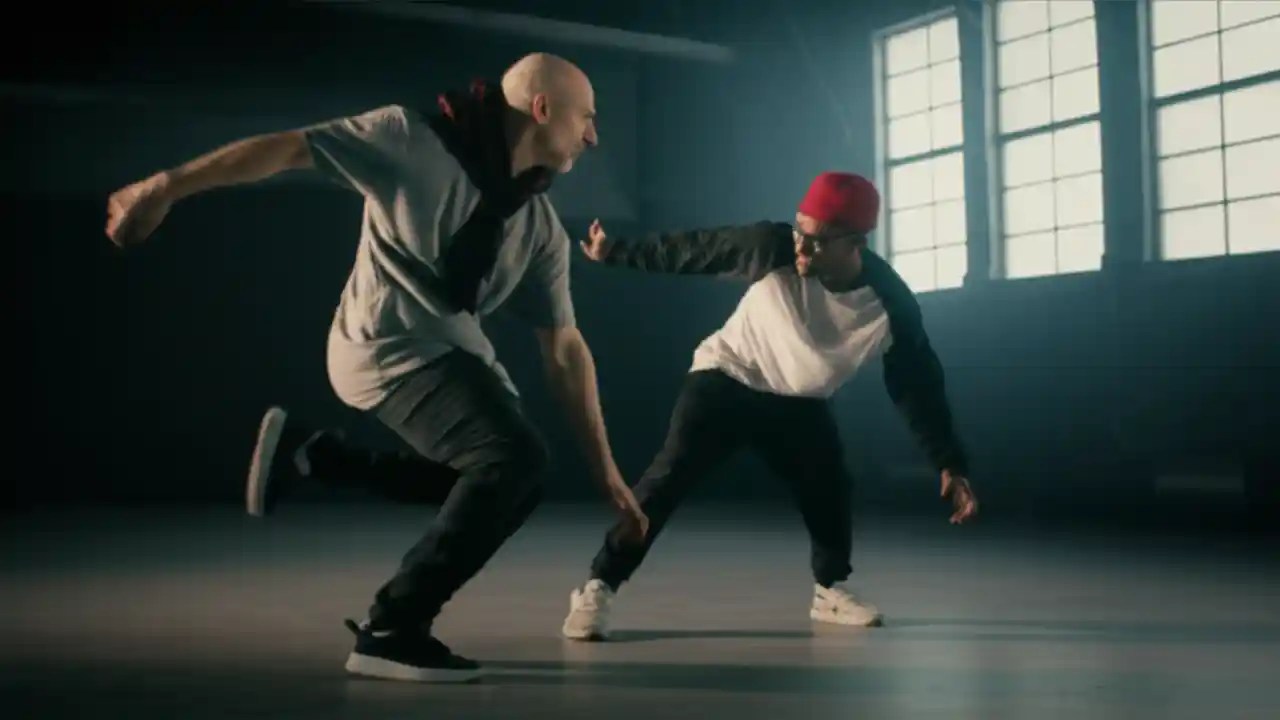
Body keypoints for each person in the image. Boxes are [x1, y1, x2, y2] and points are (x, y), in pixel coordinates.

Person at [104, 52, 649, 683]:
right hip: (382, 346)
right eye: (586, 116)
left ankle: (316, 456)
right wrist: (165, 186)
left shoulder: (537, 227)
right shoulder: (410, 139)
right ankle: (391, 629)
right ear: (542, 108)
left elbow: (564, 349)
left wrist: (608, 474)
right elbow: (285, 150)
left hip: (450, 352)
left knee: (511, 485)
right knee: (513, 458)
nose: (593, 135)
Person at [560, 171, 978, 641]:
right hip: (728, 377)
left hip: (798, 401)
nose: (801, 246)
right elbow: (698, 249)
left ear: (855, 244)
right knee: (668, 478)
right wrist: (614, 251)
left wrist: (948, 461)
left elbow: (916, 381)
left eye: (817, 241)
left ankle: (830, 590)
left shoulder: (891, 303)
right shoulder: (772, 247)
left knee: (831, 487)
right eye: (799, 230)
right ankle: (599, 584)